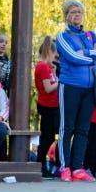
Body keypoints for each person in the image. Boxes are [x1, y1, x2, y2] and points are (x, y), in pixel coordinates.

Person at [55, 0, 96, 182]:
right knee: (66, 127)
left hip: (90, 88)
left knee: (83, 129)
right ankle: (64, 167)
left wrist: (86, 53)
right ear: (66, 15)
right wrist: (91, 55)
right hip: (69, 86)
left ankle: (78, 168)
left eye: (79, 12)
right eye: (73, 12)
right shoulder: (62, 36)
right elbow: (72, 57)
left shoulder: (91, 35)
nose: (77, 15)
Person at [34, 36, 60, 179]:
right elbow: (48, 88)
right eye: (54, 54)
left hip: (53, 104)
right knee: (47, 137)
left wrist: (55, 74)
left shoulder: (49, 67)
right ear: (49, 52)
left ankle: (46, 164)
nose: (55, 57)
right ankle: (41, 163)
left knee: (50, 137)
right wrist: (61, 81)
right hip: (47, 105)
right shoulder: (42, 66)